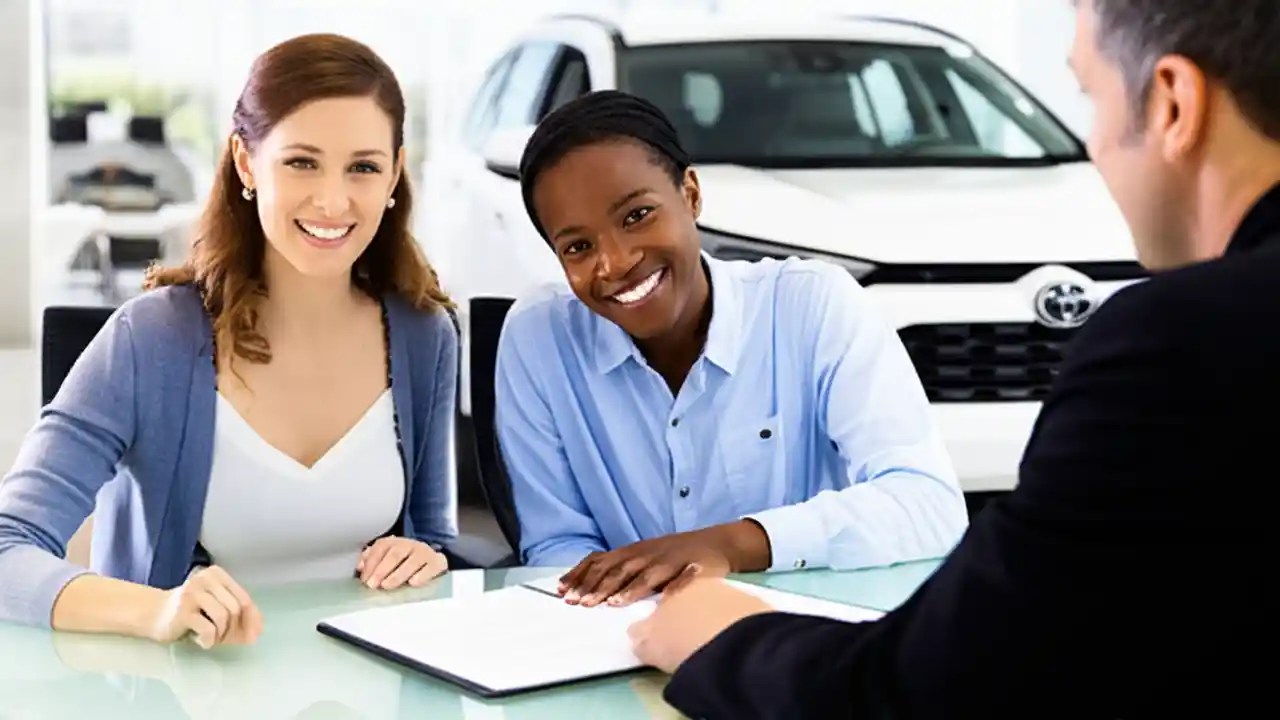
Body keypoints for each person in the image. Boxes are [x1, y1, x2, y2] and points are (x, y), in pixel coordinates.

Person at [628, 0, 1280, 717]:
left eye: (1091, 96)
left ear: (1174, 103)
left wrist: (723, 637)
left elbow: (933, 689)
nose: (1091, 142)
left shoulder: (1183, 342)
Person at [0, 33, 458, 649]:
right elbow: (8, 548)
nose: (333, 199)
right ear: (246, 163)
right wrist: (155, 610)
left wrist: (424, 554)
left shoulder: (425, 336)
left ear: (395, 174)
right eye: (301, 161)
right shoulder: (150, 341)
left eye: (364, 167)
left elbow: (435, 536)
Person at [494, 90, 968, 608]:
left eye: (637, 216)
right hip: (624, 647)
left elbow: (928, 504)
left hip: (802, 643)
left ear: (691, 194)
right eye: (578, 247)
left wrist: (732, 544)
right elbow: (556, 548)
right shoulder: (537, 339)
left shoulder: (811, 305)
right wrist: (634, 620)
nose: (616, 261)